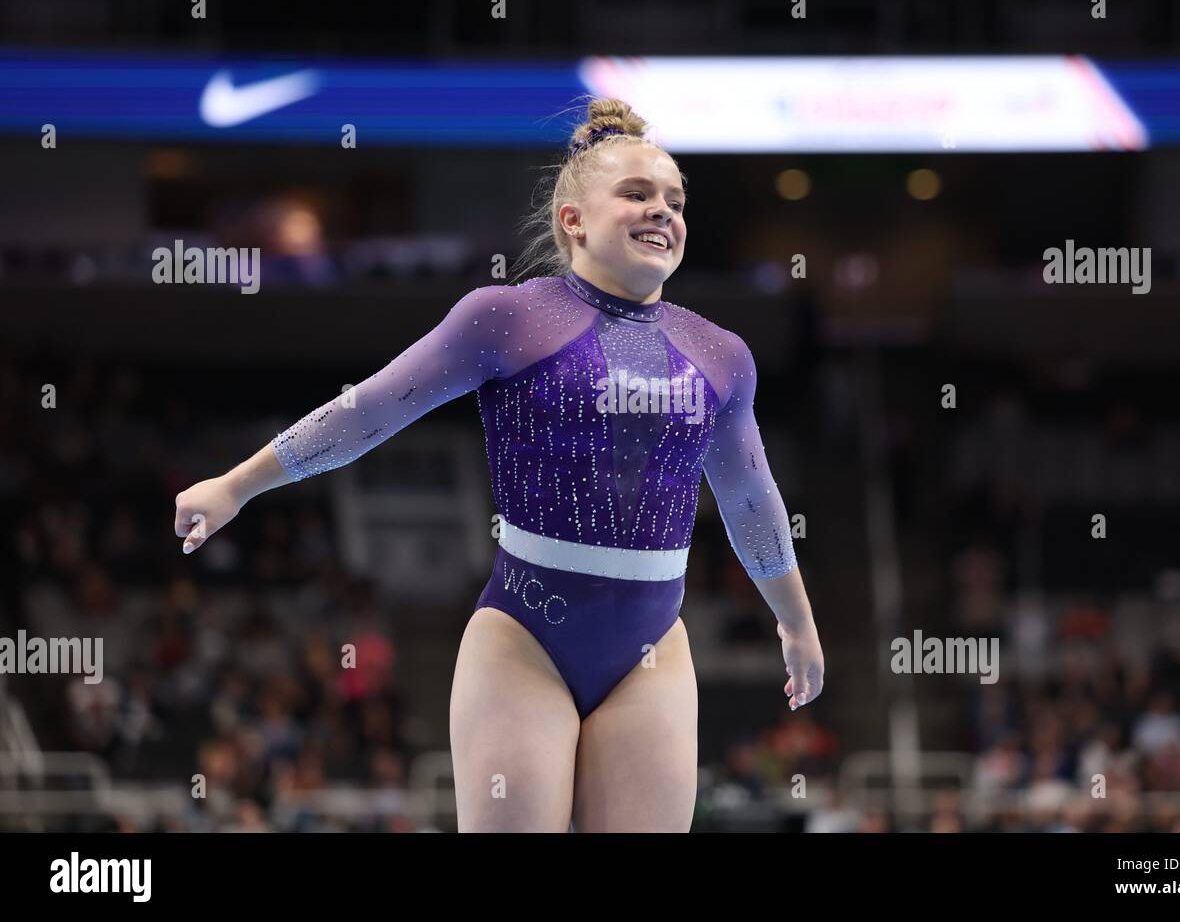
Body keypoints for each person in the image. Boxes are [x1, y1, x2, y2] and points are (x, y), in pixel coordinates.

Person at [174, 97, 824, 832]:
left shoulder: (720, 354)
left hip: (654, 648)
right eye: (636, 194)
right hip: (524, 641)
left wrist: (795, 621)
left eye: (675, 200)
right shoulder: (509, 318)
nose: (662, 212)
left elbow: (751, 501)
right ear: (573, 220)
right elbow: (370, 412)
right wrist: (237, 484)